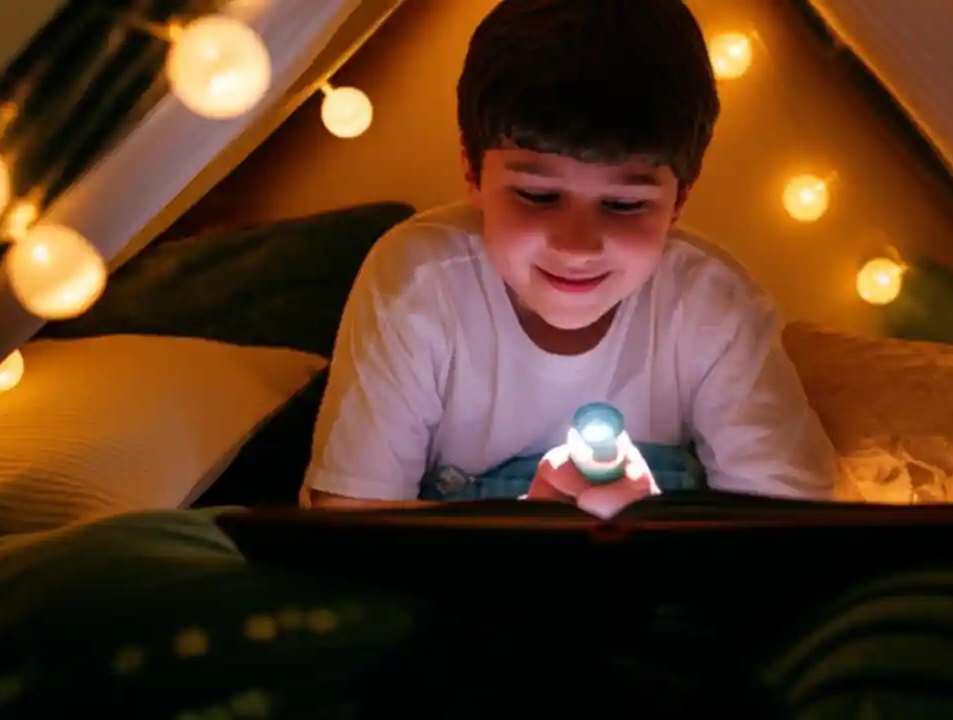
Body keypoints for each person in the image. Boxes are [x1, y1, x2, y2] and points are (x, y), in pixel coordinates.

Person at [302, 0, 839, 518]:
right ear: (472, 171)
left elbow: (787, 530)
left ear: (679, 200)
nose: (576, 245)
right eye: (538, 196)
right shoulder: (420, 284)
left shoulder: (712, 306)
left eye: (624, 205)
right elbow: (353, 528)